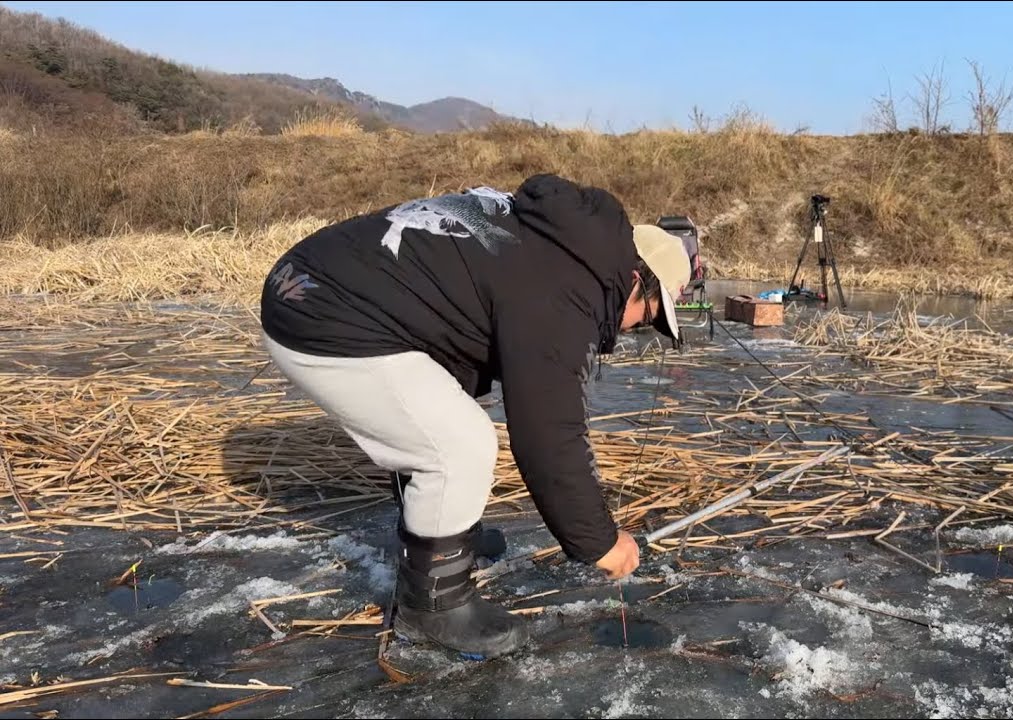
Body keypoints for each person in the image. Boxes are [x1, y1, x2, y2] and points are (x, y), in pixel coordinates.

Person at [257, 173, 693, 659]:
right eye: (650, 316)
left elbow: (453, 326)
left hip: (315, 283)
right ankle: (433, 607)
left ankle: (441, 544)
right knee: (458, 446)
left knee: (436, 413)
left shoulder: (559, 244)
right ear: (635, 279)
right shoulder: (564, 291)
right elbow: (550, 435)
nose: (637, 331)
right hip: (319, 312)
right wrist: (600, 543)